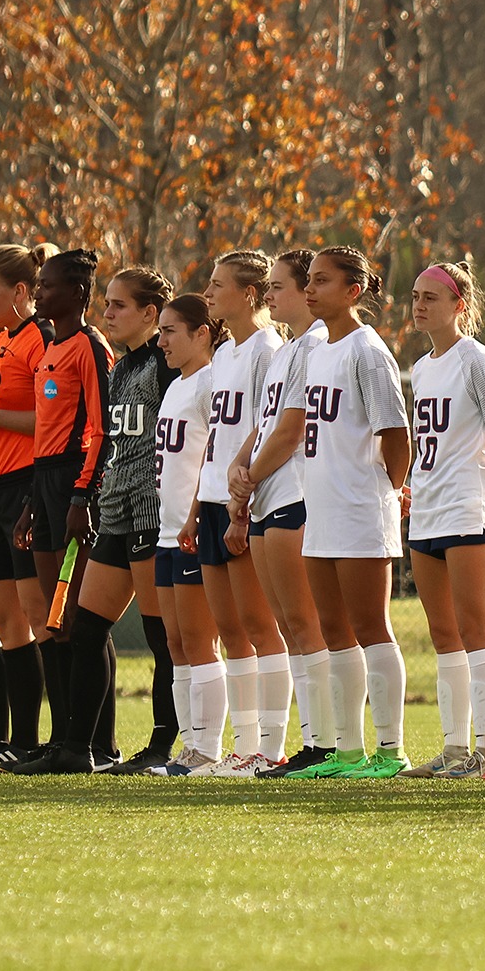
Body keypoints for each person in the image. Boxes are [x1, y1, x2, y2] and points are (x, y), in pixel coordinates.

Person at [285, 247, 412, 779]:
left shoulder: (367, 349)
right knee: (333, 627)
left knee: (370, 626)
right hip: (322, 508)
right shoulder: (318, 351)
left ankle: (390, 750)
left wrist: (389, 490)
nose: (310, 290)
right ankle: (347, 751)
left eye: (322, 281)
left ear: (353, 291)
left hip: (361, 507)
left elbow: (395, 433)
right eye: (308, 281)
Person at [51, 266, 177, 774]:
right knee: (86, 629)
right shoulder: (122, 370)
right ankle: (78, 749)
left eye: (118, 305)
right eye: (106, 303)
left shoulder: (165, 367)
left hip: (152, 510)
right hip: (116, 511)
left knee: (160, 637)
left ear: (150, 314)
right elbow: (111, 442)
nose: (107, 314)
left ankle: (164, 746)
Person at [228, 250, 335, 779]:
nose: (270, 296)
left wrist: (247, 478)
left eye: (279, 287)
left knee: (304, 622)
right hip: (268, 496)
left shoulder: (316, 344)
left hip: (294, 494)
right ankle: (313, 740)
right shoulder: (290, 349)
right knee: (290, 625)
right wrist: (241, 459)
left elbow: (292, 430)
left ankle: (326, 742)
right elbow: (268, 420)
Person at [397, 264, 485, 778]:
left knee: (475, 631)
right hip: (427, 511)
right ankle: (454, 749)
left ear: (459, 304)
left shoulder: (476, 359)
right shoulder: (422, 366)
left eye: (431, 298)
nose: (420, 305)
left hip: (466, 505)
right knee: (443, 633)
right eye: (416, 297)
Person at [7, 249, 111, 774]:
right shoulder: (51, 347)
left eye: (46, 285)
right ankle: (64, 739)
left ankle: (96, 744)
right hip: (42, 484)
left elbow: (100, 429)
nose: (40, 293)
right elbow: (44, 433)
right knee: (54, 620)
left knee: (80, 617)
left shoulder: (90, 349)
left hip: (73, 484)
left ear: (76, 294)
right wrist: (31, 502)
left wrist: (80, 497)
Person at [188, 251, 289, 776]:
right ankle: (244, 744)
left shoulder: (268, 350)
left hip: (243, 502)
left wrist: (241, 506)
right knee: (229, 628)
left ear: (249, 293)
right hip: (210, 498)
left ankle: (270, 747)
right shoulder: (226, 352)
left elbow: (266, 432)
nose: (208, 292)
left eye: (218, 283)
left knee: (259, 623)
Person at [0, 243, 54, 771]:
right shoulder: (0, 341)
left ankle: (44, 738)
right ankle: (12, 742)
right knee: (5, 618)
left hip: (27, 487)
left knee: (37, 615)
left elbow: (50, 421)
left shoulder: (38, 341)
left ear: (21, 292)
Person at [147, 295, 224, 775]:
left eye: (171, 330)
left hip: (193, 530)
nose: (162, 341)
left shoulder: (211, 383)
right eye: (161, 332)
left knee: (198, 642)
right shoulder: (176, 385)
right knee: (174, 643)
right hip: (165, 530)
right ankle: (190, 747)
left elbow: (213, 459)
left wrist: (195, 514)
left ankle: (208, 749)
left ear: (202, 333)